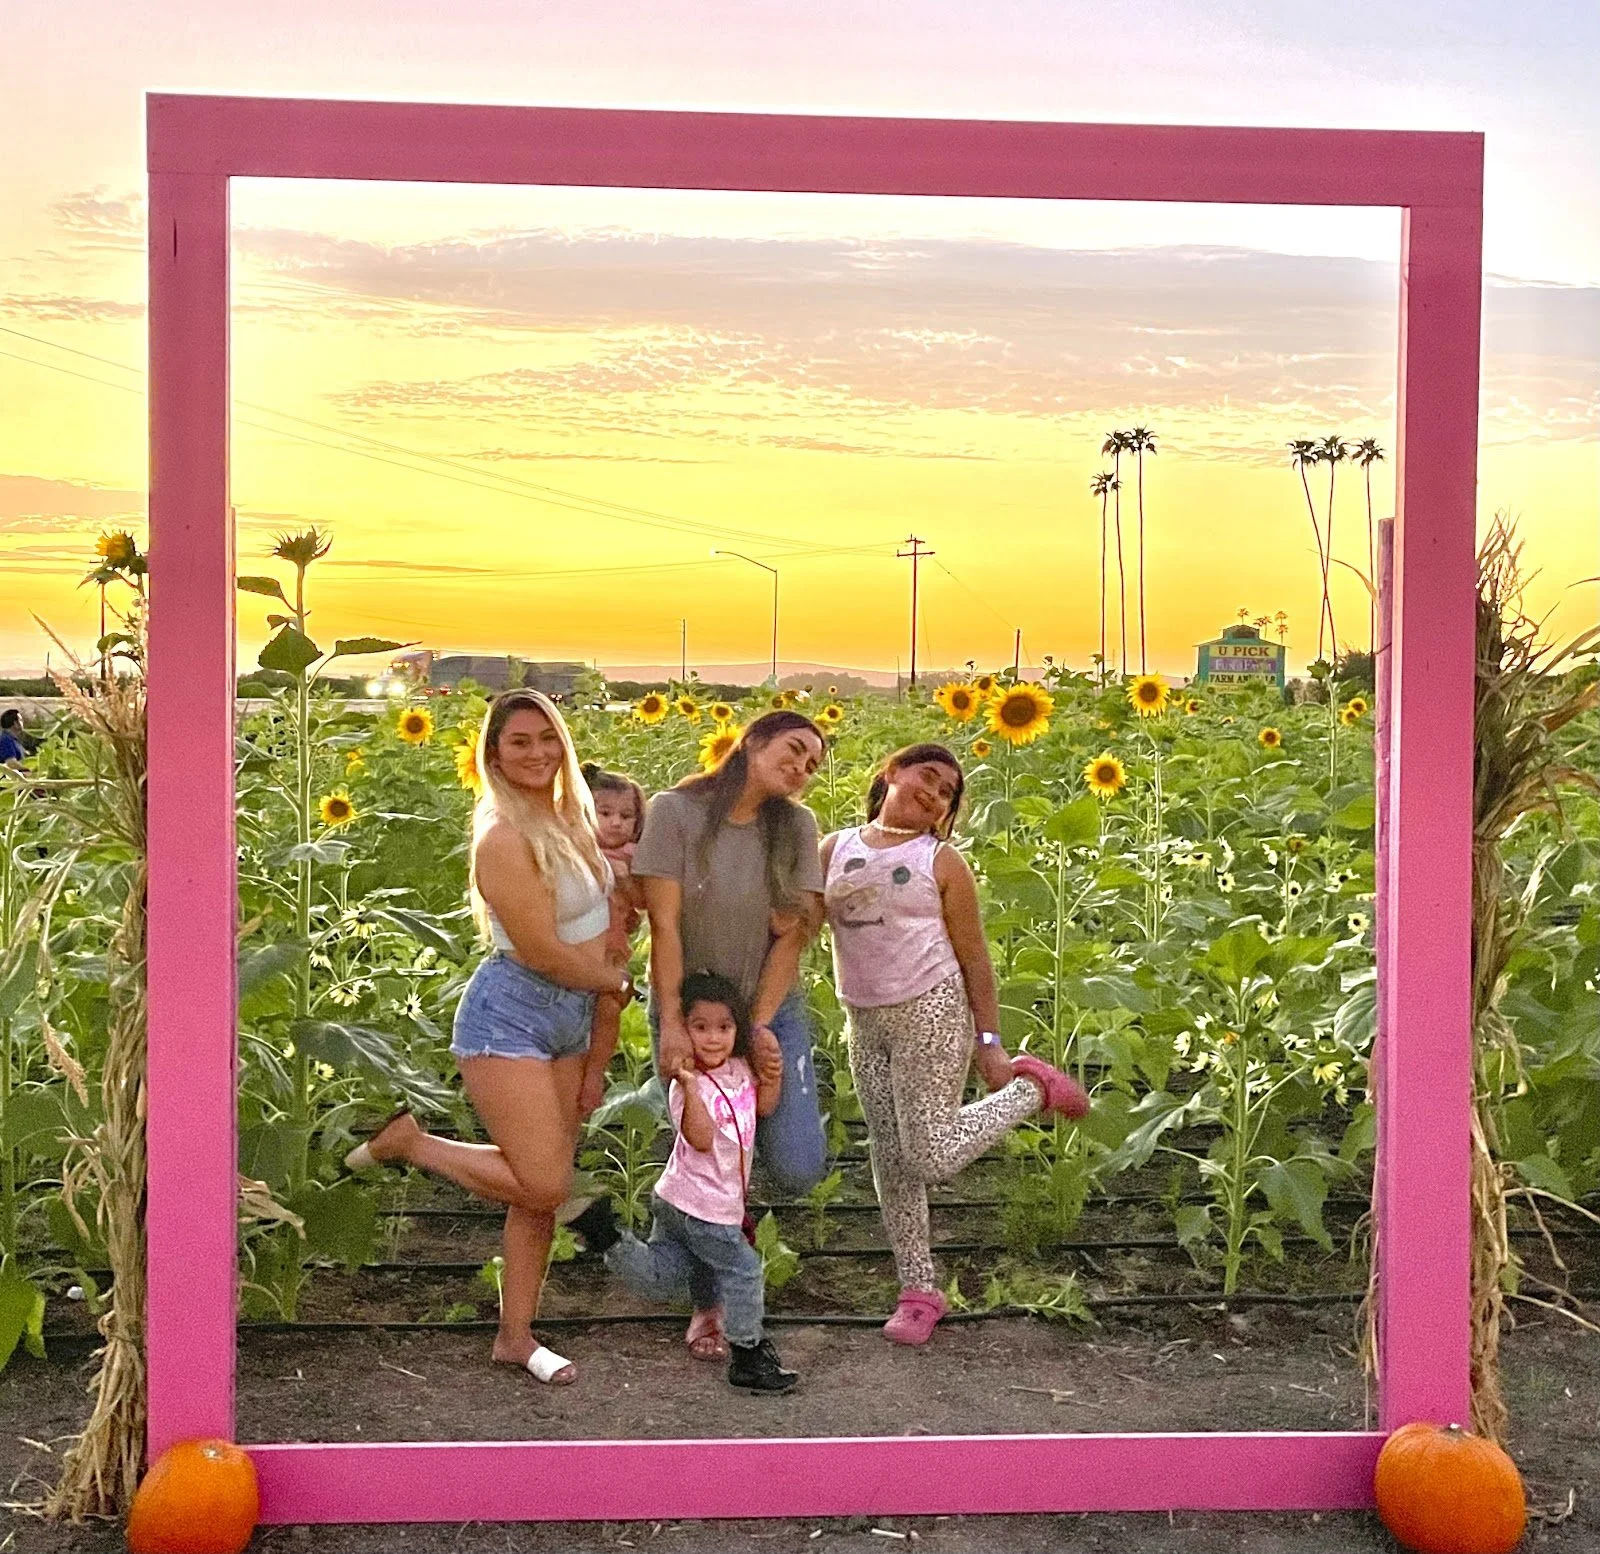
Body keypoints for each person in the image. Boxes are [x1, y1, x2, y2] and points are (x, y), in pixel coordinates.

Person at [344, 689, 630, 1385]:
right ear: (494, 755)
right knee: (544, 1180)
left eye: (546, 739)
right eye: (519, 743)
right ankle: (408, 1142)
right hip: (513, 1016)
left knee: (533, 1197)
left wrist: (597, 1048)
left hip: (572, 1016)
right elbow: (539, 950)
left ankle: (517, 1336)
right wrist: (613, 987)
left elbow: (606, 922)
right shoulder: (503, 836)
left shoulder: (569, 817)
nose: (537, 753)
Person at [821, 743, 1091, 1347]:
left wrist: (989, 1043)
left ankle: (1029, 1090)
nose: (934, 792)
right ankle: (919, 1290)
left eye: (946, 791)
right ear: (890, 771)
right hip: (862, 1019)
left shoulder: (940, 861)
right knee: (891, 1160)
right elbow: (798, 922)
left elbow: (975, 959)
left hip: (932, 1009)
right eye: (927, 776)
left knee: (931, 1156)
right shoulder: (834, 848)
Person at [632, 708, 828, 1362]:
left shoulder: (795, 827)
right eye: (795, 749)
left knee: (799, 1165)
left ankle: (722, 1227)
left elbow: (794, 934)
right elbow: (663, 927)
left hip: (768, 1007)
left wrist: (760, 1031)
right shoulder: (675, 813)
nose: (802, 768)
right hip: (691, 1011)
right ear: (754, 741)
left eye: (813, 764)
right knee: (706, 1156)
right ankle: (709, 1297)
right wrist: (671, 1024)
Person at [569, 972, 797, 1393]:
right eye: (700, 1028)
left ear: (737, 1030)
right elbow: (701, 1138)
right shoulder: (684, 1086)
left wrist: (775, 1073)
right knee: (744, 1270)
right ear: (682, 1032)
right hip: (703, 1209)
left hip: (677, 1199)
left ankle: (603, 1233)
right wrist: (690, 1086)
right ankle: (748, 1355)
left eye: (724, 1028)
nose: (713, 1039)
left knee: (666, 1277)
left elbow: (763, 1105)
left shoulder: (739, 1070)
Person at [578, 764, 648, 1119]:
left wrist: (624, 880)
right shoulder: (574, 845)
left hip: (610, 952)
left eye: (626, 816)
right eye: (604, 813)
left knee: (608, 1009)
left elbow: (644, 902)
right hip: (571, 952)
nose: (616, 823)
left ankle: (595, 1072)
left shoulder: (633, 856)